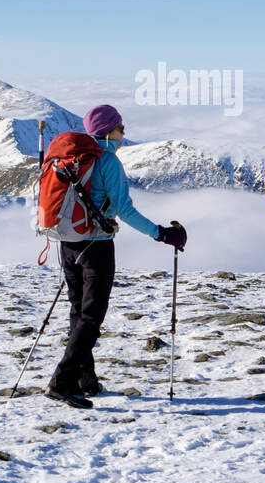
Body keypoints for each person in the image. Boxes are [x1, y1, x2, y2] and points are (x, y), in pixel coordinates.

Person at [47, 104, 187, 408]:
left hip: (67, 243)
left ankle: (86, 380)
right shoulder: (107, 162)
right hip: (96, 245)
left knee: (78, 312)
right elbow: (124, 210)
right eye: (121, 127)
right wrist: (162, 233)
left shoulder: (72, 158)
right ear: (108, 131)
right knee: (92, 317)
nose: (124, 133)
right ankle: (62, 382)